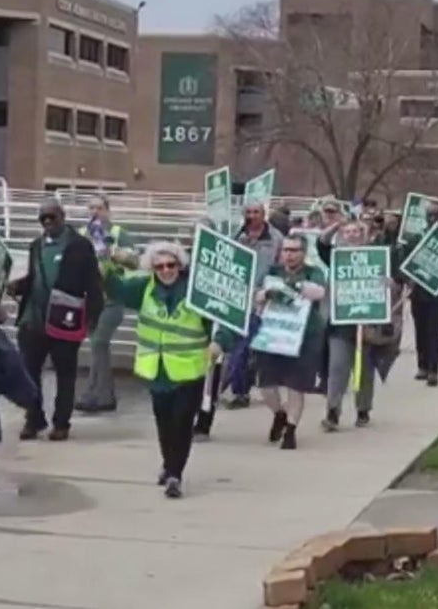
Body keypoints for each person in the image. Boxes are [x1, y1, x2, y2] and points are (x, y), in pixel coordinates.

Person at [105, 241, 225, 498]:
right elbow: (114, 288)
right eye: (159, 266)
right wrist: (107, 260)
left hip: (190, 370)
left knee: (182, 424)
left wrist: (219, 342)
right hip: (156, 369)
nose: (165, 270)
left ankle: (174, 474)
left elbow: (224, 317)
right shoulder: (143, 288)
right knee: (164, 423)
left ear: (180, 266)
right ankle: (168, 462)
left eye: (171, 265)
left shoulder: (197, 291)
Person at [10, 199, 104, 441]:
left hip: (65, 320)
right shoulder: (35, 246)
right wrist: (18, 286)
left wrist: (92, 317)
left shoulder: (80, 246)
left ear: (62, 216)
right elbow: (35, 277)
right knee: (28, 373)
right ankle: (34, 418)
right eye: (44, 218)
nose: (48, 222)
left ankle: (61, 423)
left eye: (52, 216)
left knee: (65, 373)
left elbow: (94, 282)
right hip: (33, 319)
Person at [242, 234, 327, 449]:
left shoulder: (312, 272)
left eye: (294, 250)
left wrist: (292, 287)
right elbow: (257, 294)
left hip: (303, 336)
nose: (289, 255)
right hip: (272, 334)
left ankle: (291, 430)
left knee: (295, 386)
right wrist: (265, 293)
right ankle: (279, 413)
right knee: (266, 385)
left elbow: (318, 292)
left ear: (303, 253)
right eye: (286, 250)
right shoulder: (272, 271)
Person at [319, 221, 400, 430]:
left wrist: (389, 285)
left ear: (365, 234)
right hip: (340, 325)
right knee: (337, 368)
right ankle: (332, 412)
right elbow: (322, 243)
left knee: (364, 371)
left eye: (356, 231)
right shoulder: (336, 257)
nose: (352, 235)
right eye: (347, 231)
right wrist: (335, 225)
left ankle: (363, 409)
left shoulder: (377, 257)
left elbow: (395, 285)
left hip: (368, 326)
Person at [76, 195, 137, 414]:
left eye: (99, 208)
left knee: (99, 342)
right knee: (97, 345)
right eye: (91, 208)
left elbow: (135, 260)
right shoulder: (82, 235)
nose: (95, 212)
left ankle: (96, 394)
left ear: (108, 211)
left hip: (112, 298)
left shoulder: (119, 233)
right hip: (90, 299)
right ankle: (105, 394)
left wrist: (113, 252)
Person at [223, 201, 284, 410]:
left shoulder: (275, 238)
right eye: (248, 212)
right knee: (237, 347)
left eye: (256, 212)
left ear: (263, 214)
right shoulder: (237, 235)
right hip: (237, 296)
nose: (252, 216)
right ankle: (238, 390)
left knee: (245, 347)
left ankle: (238, 389)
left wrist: (270, 290)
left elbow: (281, 266)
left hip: (261, 299)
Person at [404, 210, 438, 386]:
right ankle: (422, 366)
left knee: (434, 332)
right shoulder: (416, 241)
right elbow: (404, 263)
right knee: (420, 330)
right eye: (432, 220)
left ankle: (433, 369)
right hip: (418, 293)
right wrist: (407, 279)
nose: (435, 223)